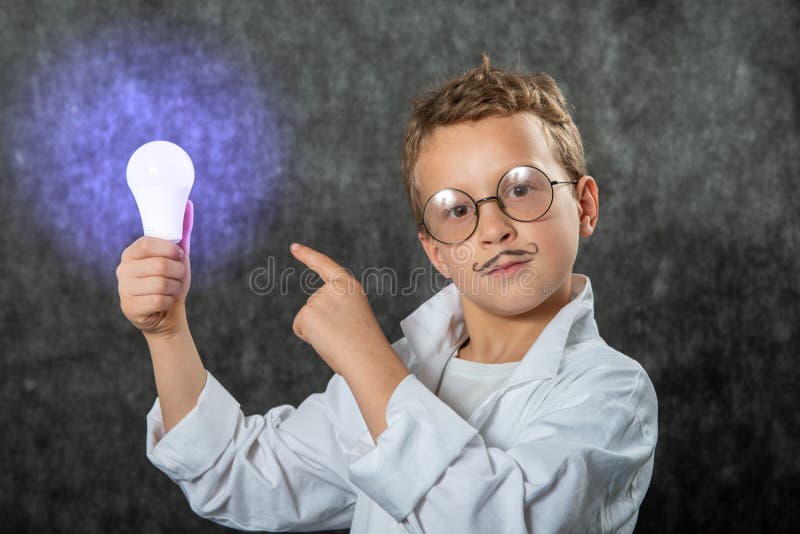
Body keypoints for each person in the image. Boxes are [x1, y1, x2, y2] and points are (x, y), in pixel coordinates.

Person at [116, 52, 657, 533]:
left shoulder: (611, 394)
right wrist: (167, 331)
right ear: (436, 252)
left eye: (520, 188)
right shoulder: (407, 369)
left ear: (584, 206)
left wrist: (364, 358)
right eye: (457, 209)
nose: (492, 229)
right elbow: (237, 475)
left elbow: (490, 521)